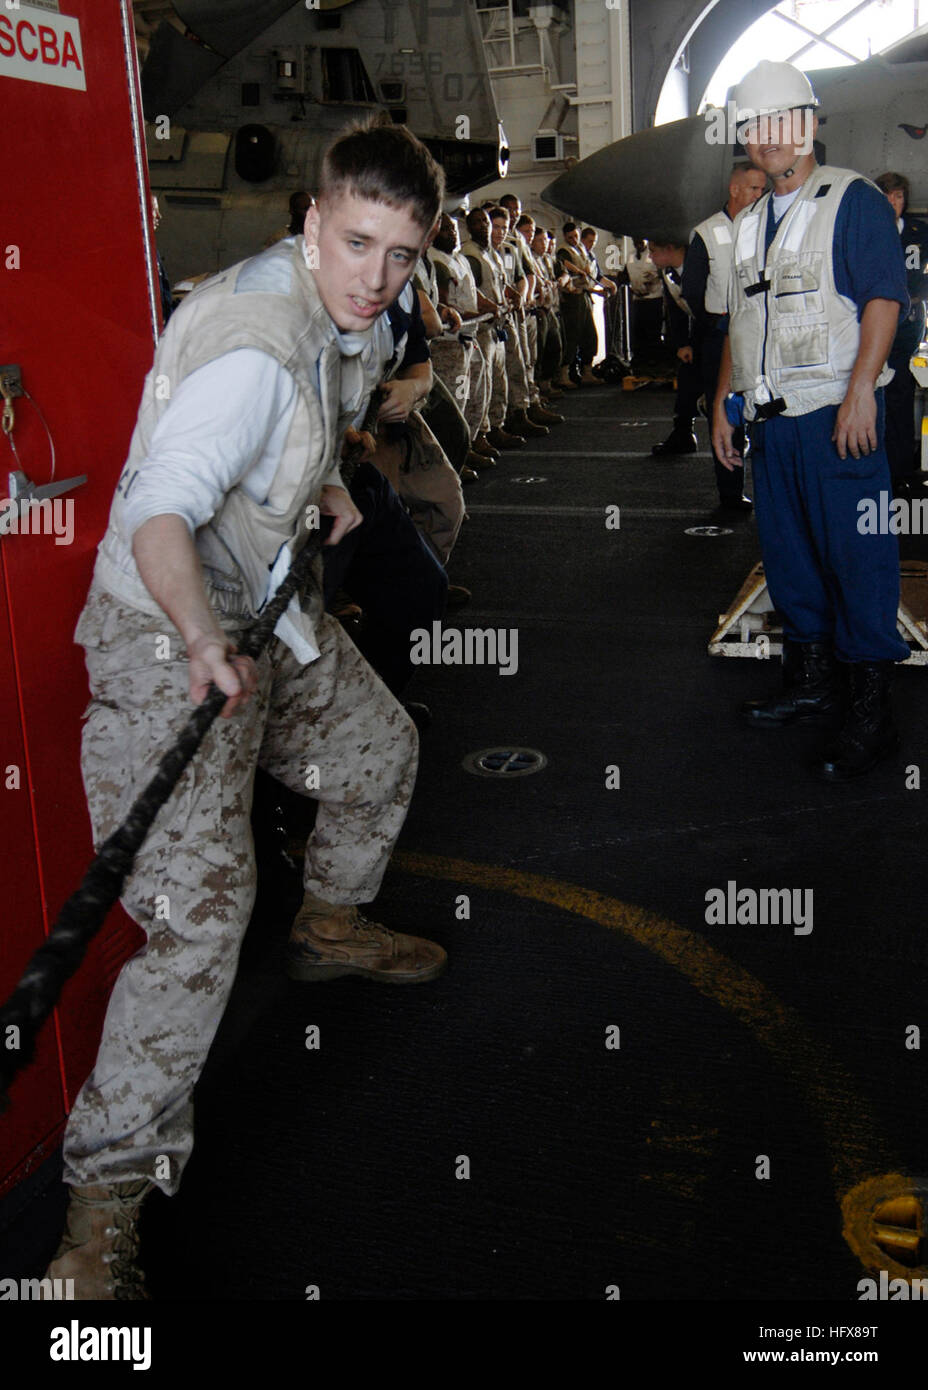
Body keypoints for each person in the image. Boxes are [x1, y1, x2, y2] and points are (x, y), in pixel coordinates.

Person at [44, 118, 449, 1299]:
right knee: (200, 926)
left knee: (378, 754)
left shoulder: (338, 318)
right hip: (167, 641)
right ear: (311, 222)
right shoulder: (254, 347)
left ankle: (328, 927)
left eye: (402, 254)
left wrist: (317, 477)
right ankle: (99, 1209)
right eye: (357, 243)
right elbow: (158, 514)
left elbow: (303, 414)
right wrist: (199, 636)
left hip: (261, 618)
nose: (376, 278)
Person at [712, 61, 909, 780]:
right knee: (790, 559)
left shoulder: (850, 199)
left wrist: (862, 391)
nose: (765, 139)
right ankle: (812, 682)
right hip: (773, 426)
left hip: (836, 419)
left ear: (808, 122)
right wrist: (721, 405)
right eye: (752, 127)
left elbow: (884, 298)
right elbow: (744, 319)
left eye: (777, 122)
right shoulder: (752, 219)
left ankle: (871, 713)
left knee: (859, 562)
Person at [682, 164, 767, 509]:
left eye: (762, 190)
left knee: (764, 407)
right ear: (734, 190)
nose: (759, 196)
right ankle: (731, 494)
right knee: (726, 412)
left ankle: (773, 489)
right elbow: (692, 290)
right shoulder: (706, 232)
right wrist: (717, 324)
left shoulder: (766, 227)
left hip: (761, 332)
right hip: (721, 334)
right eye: (753, 189)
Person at [874, 172, 928, 493]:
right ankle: (879, 469)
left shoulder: (920, 232)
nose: (894, 203)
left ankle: (902, 469)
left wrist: (919, 295)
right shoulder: (867, 232)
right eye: (888, 196)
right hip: (877, 327)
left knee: (903, 395)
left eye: (899, 197)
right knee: (877, 395)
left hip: (908, 327)